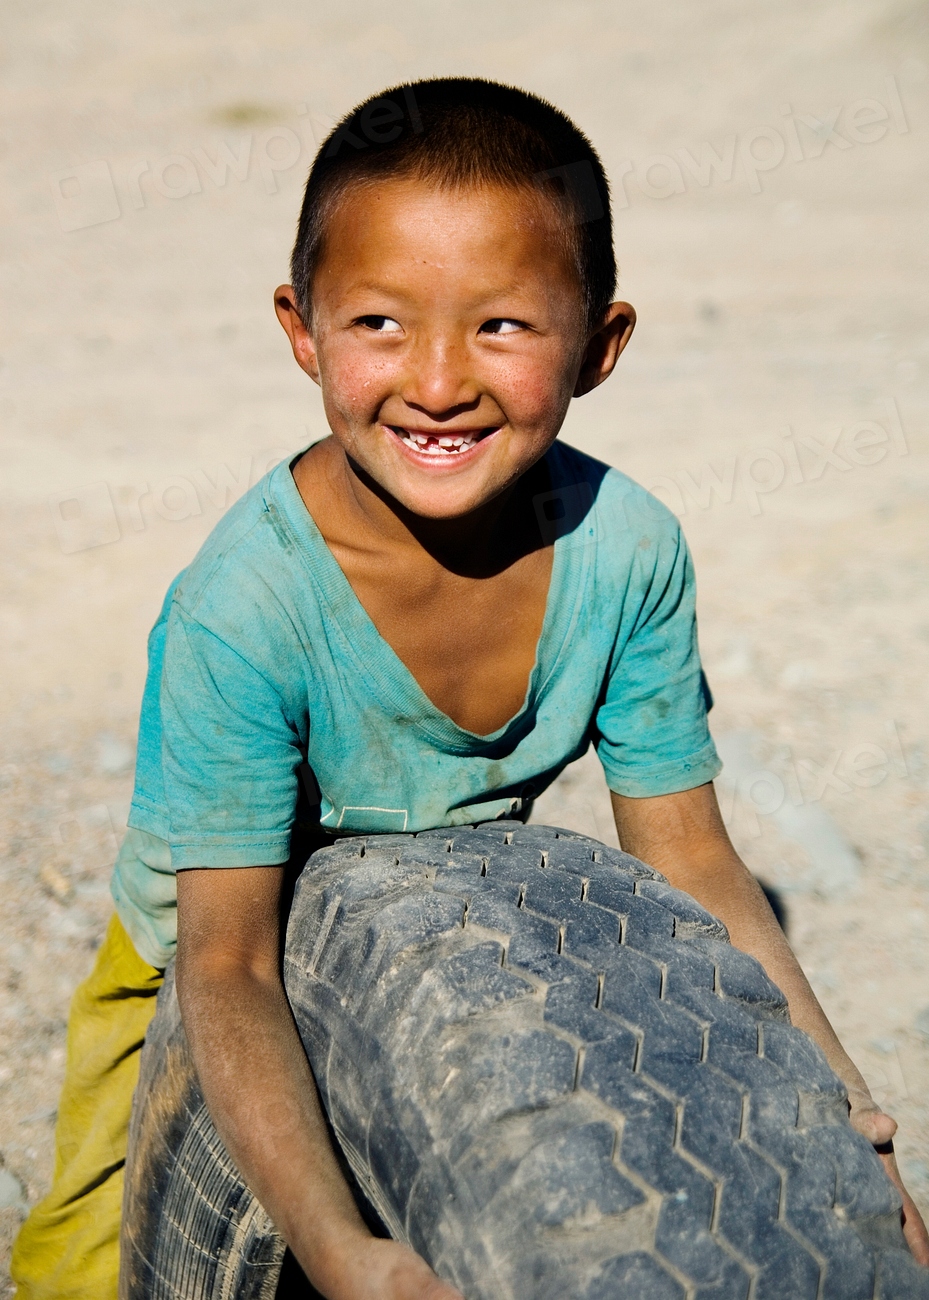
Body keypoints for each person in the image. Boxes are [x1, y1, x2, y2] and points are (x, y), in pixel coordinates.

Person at [12, 77, 928, 1300]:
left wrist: (843, 1114)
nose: (437, 381)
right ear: (302, 328)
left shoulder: (626, 550)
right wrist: (340, 1253)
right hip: (212, 929)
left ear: (599, 347)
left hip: (454, 933)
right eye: (379, 323)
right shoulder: (244, 605)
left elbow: (693, 864)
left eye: (500, 326)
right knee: (89, 1261)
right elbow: (227, 966)